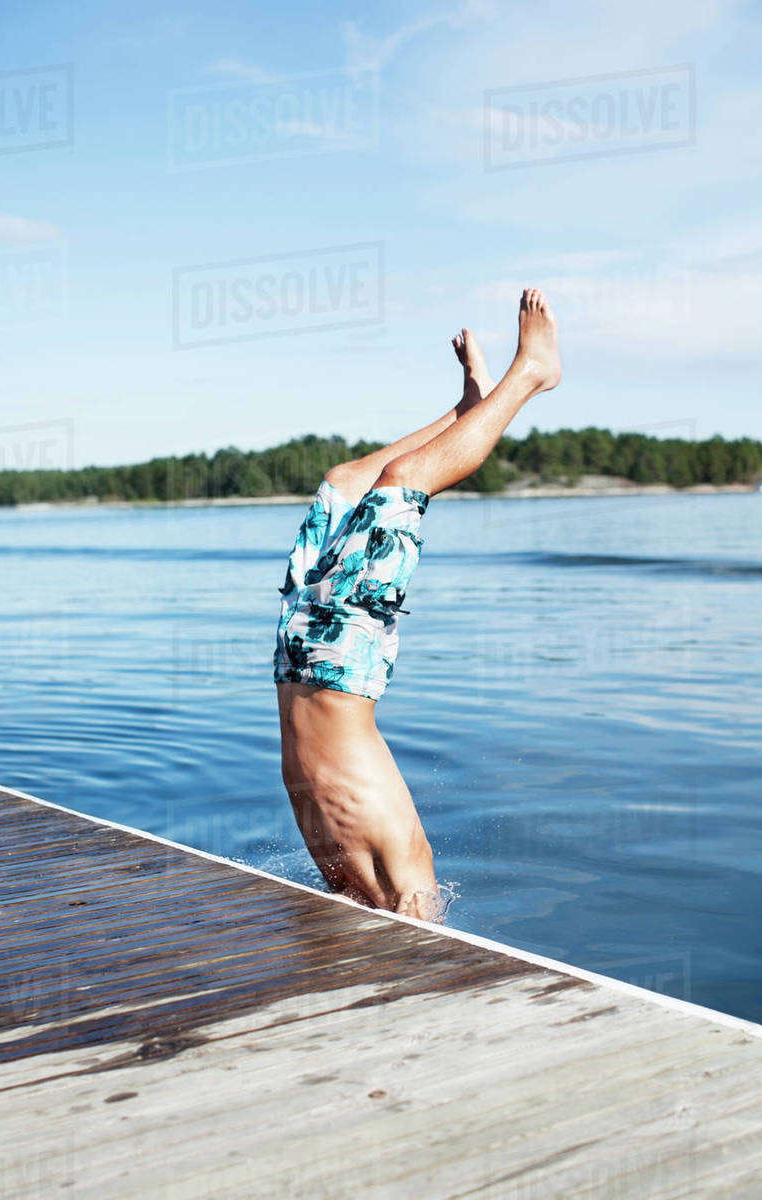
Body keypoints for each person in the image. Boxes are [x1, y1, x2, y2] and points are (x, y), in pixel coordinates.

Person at [274, 288, 560, 921]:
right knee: (400, 483)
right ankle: (519, 383)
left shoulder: (353, 895)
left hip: (304, 660)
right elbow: (424, 917)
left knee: (346, 482)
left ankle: (486, 400)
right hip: (340, 664)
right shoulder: (410, 883)